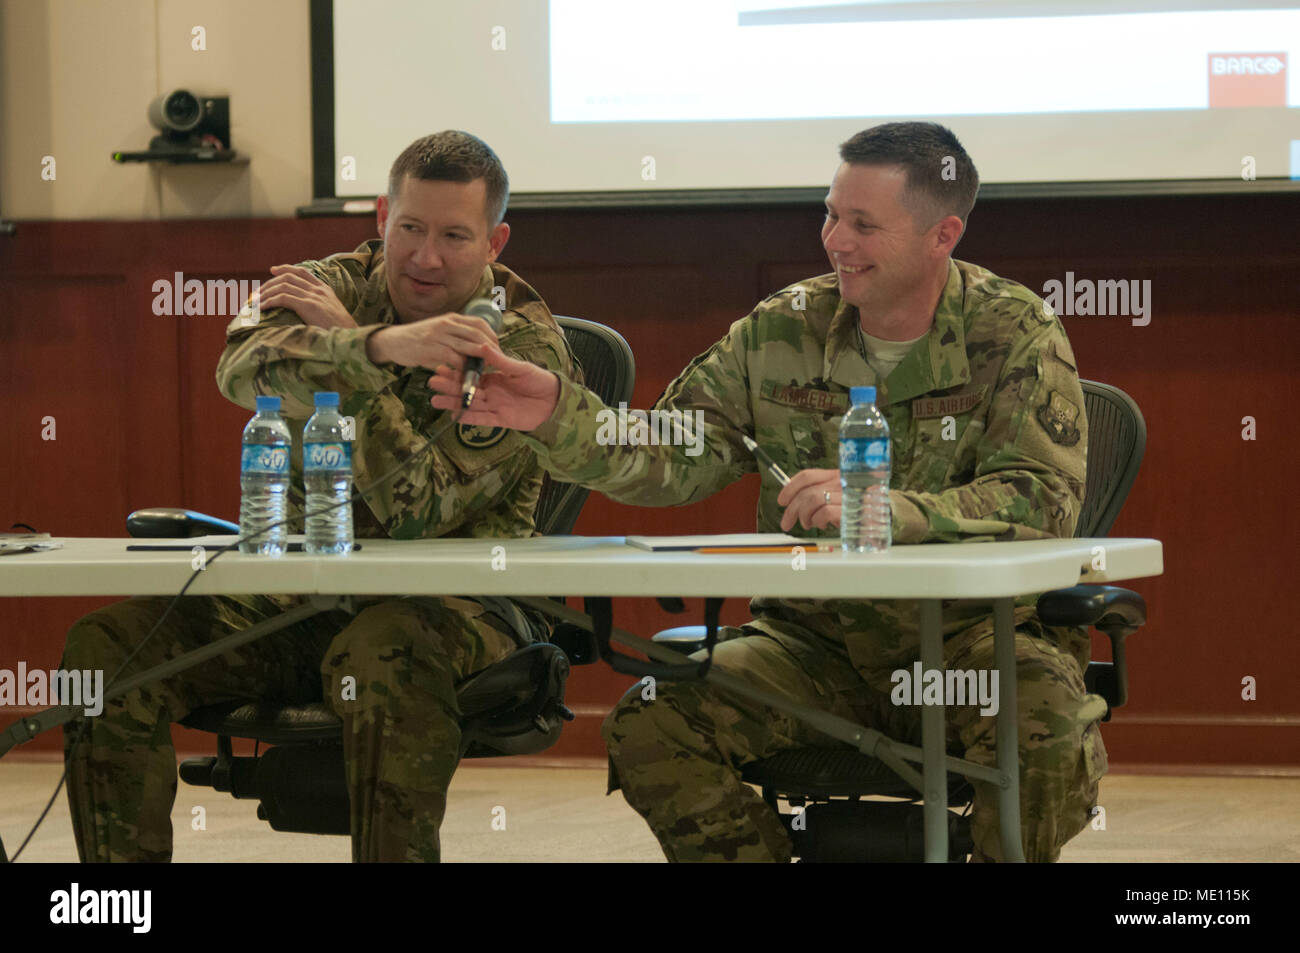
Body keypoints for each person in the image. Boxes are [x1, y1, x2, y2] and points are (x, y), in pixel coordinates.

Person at [428, 122, 1102, 862]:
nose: (835, 241)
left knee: (1047, 729)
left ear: (943, 234)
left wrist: (892, 511)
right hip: (814, 650)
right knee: (653, 720)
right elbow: (678, 450)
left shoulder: (1014, 331)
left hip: (971, 645)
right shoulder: (784, 328)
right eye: (830, 214)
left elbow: (1042, 500)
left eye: (864, 224)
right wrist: (558, 412)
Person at [61, 130, 575, 862]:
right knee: (107, 649)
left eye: (455, 236)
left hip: (454, 604)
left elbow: (419, 510)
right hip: (300, 593)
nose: (426, 257)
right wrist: (375, 345)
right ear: (379, 218)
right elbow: (240, 368)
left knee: (381, 651)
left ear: (495, 241)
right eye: (411, 228)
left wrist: (347, 354)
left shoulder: (518, 346)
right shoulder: (328, 282)